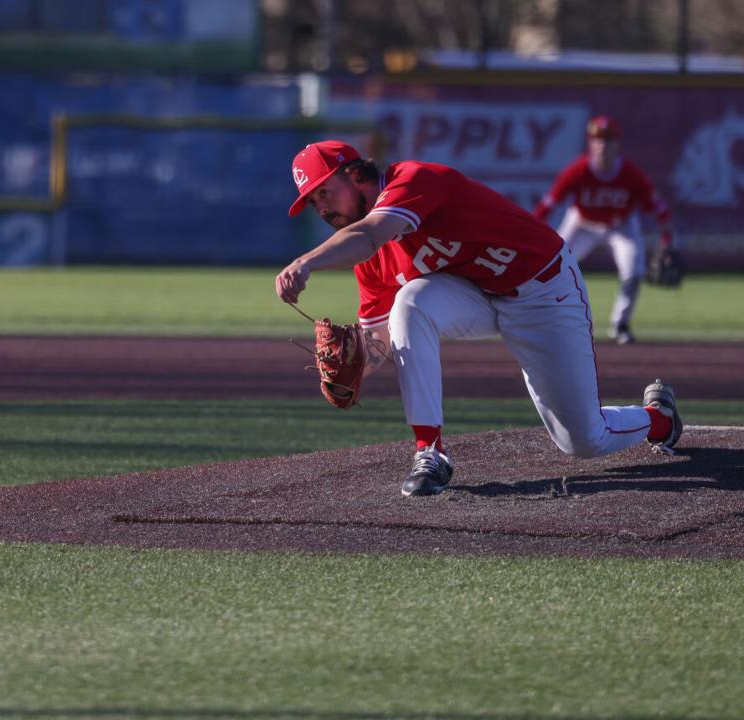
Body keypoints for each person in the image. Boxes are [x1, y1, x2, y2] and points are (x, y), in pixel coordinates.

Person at [275, 139, 683, 498]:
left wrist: (306, 262)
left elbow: (368, 234)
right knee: (411, 303)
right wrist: (351, 374)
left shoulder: (413, 180)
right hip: (478, 295)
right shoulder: (369, 261)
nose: (322, 208)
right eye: (314, 202)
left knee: (582, 441)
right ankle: (429, 452)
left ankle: (658, 420)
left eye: (324, 192)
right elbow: (381, 342)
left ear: (355, 174)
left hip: (541, 291)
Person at [533, 114, 674, 345]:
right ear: (590, 144)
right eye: (597, 140)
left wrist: (667, 241)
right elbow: (548, 205)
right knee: (552, 266)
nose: (603, 146)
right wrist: (532, 233)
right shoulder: (577, 170)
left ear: (617, 145)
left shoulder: (630, 173)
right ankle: (546, 321)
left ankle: (620, 325)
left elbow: (660, 210)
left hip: (621, 226)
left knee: (633, 272)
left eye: (608, 140)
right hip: (582, 223)